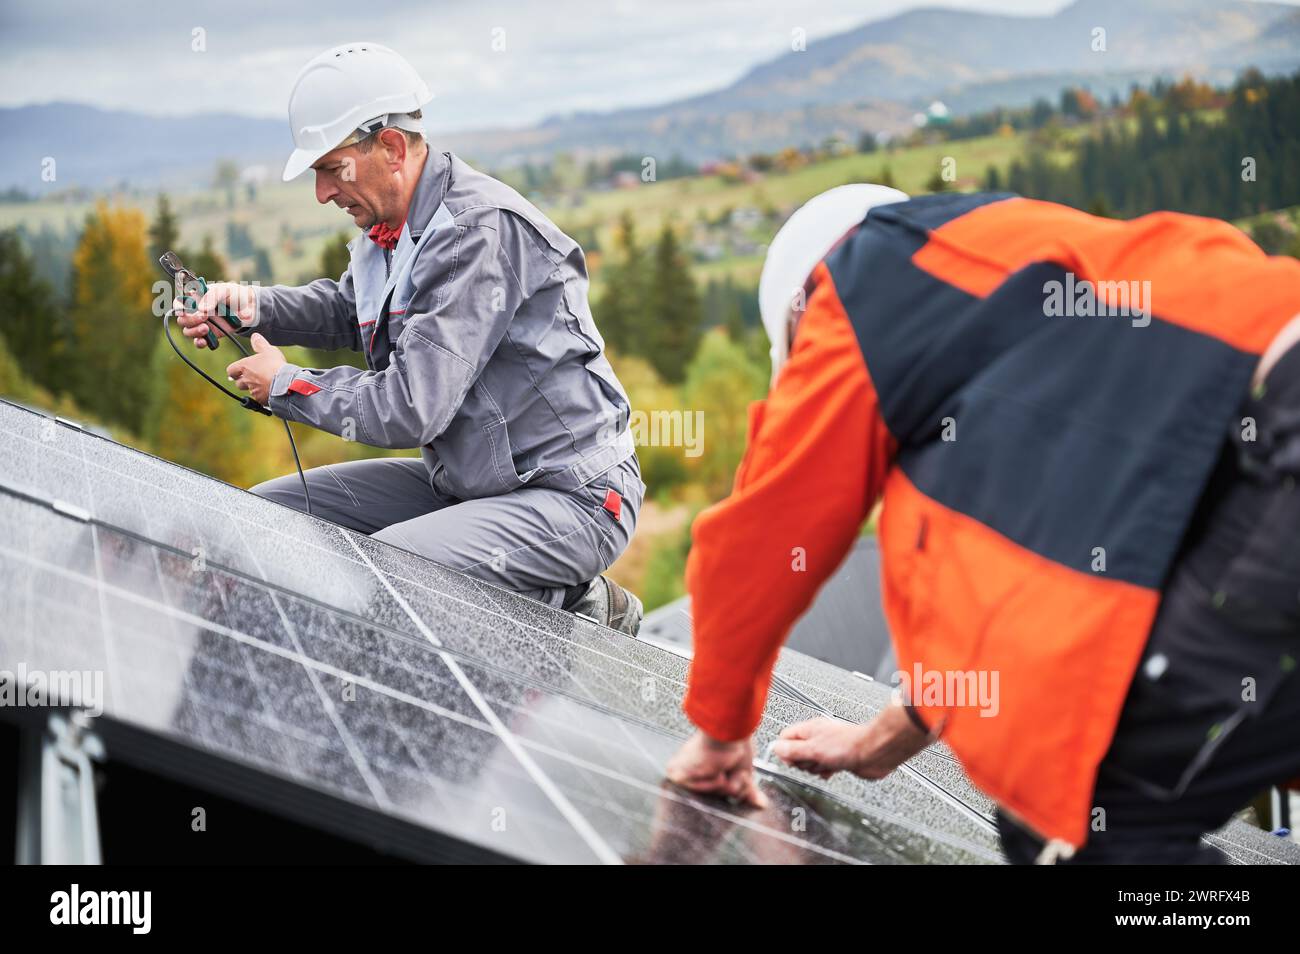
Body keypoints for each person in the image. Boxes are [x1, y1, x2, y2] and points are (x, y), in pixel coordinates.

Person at [665, 184, 1300, 862]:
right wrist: (882, 739)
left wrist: (721, 729)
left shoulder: (862, 287)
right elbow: (1018, 620)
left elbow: (764, 535)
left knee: (1076, 823)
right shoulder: (1020, 302)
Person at [174, 43, 643, 633]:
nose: (322, 193)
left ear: (392, 148)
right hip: (468, 483)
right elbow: (351, 311)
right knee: (268, 515)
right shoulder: (389, 226)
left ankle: (573, 603)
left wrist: (286, 385)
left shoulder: (476, 235)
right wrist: (251, 308)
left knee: (395, 574)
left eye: (330, 168)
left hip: (570, 496)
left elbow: (410, 407)